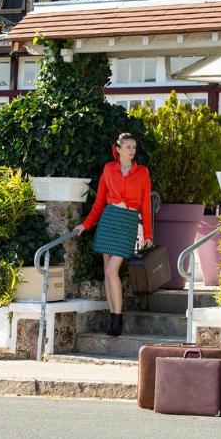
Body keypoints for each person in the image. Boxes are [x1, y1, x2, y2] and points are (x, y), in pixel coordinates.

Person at [75, 133, 152, 337]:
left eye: (134, 147)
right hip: (109, 219)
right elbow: (99, 202)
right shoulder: (109, 169)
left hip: (127, 221)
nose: (132, 150)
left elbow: (146, 205)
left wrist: (147, 234)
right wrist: (85, 225)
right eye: (127, 147)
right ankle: (112, 317)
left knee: (112, 271)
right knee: (107, 272)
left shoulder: (142, 172)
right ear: (118, 149)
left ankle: (118, 317)